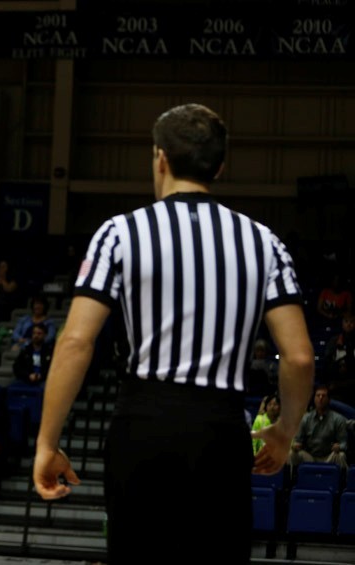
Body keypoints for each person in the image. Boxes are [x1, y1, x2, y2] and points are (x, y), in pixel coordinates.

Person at [32, 103, 315, 564]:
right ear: (219, 167)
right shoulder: (264, 242)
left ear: (160, 158)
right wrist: (285, 431)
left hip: (143, 422)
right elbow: (300, 357)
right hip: (221, 429)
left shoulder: (120, 232)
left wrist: (47, 442)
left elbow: (76, 341)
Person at [289, 384, 349, 471]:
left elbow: (344, 443)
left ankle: (343, 479)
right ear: (314, 399)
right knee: (292, 454)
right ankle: (291, 479)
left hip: (329, 456)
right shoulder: (305, 418)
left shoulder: (338, 419)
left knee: (341, 455)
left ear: (329, 400)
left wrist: (339, 447)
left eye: (323, 396)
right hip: (310, 457)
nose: (320, 398)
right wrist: (295, 446)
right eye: (318, 395)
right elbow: (297, 440)